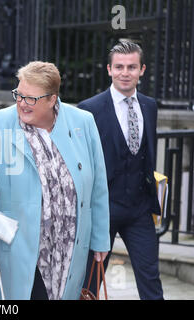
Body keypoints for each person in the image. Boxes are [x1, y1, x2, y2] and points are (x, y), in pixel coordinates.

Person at [0, 61, 110, 300]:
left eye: (31, 99)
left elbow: (98, 186)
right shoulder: (3, 122)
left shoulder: (82, 123)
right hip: (23, 243)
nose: (22, 104)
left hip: (70, 245)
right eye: (19, 95)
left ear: (52, 99)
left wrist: (100, 239)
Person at [78, 40, 164, 300]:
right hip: (104, 209)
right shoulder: (89, 109)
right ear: (109, 69)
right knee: (90, 280)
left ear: (142, 70)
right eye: (119, 67)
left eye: (131, 67)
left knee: (151, 277)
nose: (125, 72)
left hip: (139, 209)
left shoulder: (150, 106)